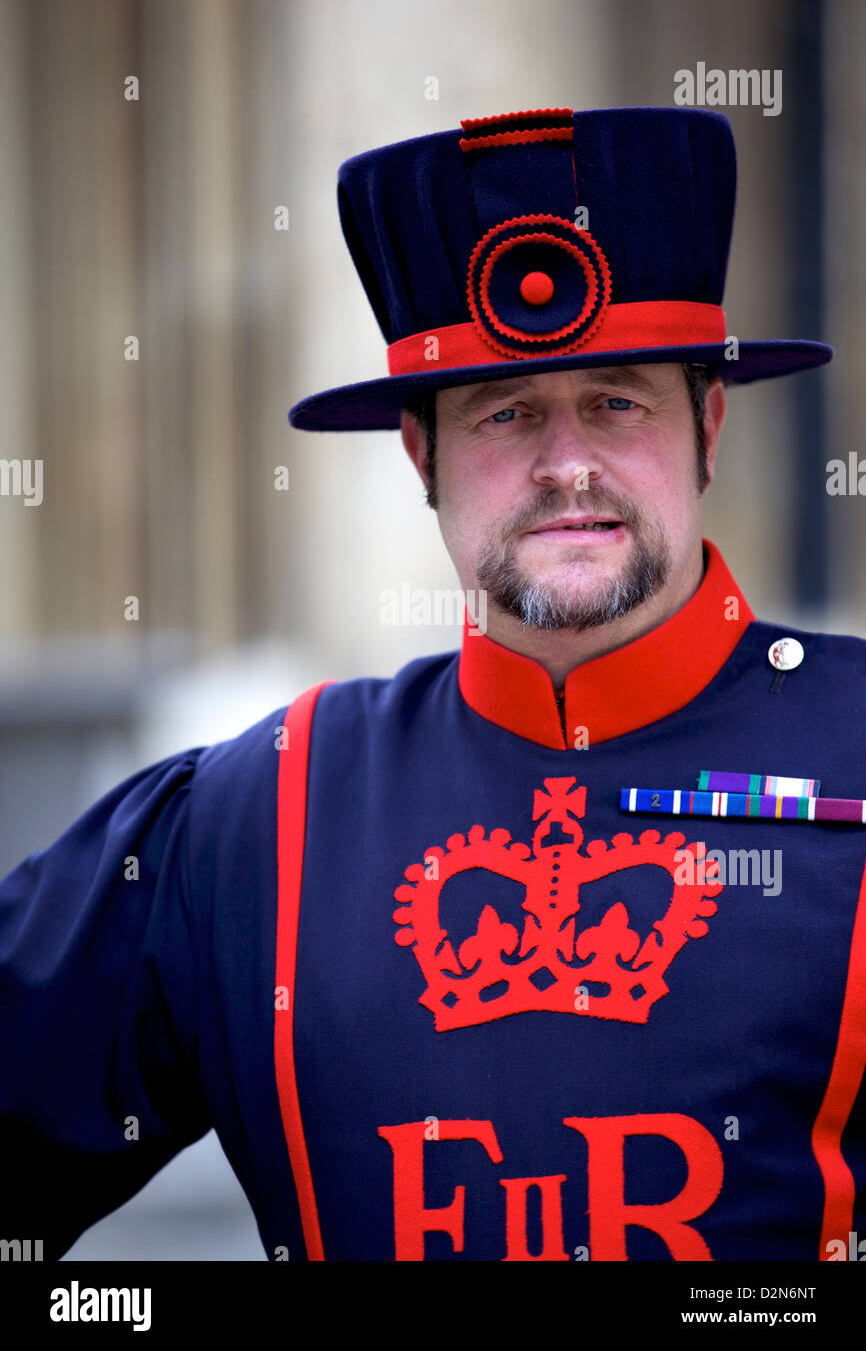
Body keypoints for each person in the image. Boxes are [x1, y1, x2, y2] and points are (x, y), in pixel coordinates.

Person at [2, 105, 863, 1264]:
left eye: (617, 399)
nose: (567, 464)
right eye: (505, 413)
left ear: (705, 422)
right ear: (423, 455)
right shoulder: (253, 814)